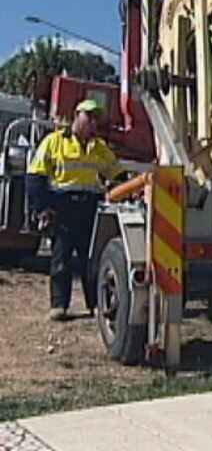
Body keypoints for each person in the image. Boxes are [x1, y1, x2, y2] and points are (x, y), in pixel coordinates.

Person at [27, 99, 123, 322]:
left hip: (90, 209)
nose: (92, 122)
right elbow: (35, 177)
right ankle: (59, 305)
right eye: (88, 117)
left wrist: (126, 188)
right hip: (63, 209)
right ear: (76, 116)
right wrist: (42, 208)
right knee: (61, 259)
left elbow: (116, 174)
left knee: (91, 260)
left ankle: (96, 305)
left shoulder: (99, 147)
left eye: (95, 118)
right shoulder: (54, 142)